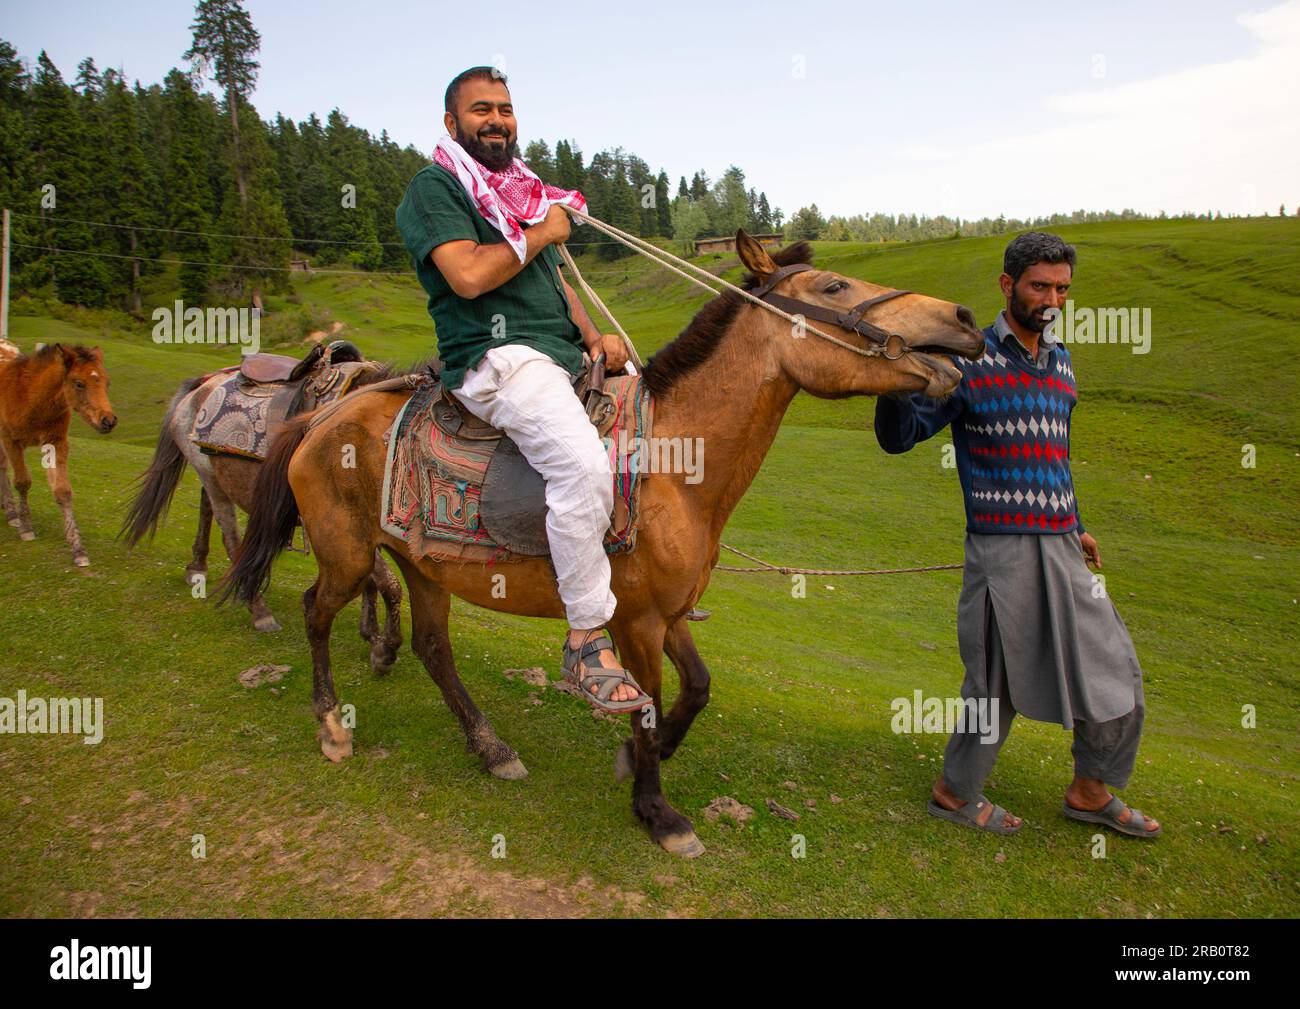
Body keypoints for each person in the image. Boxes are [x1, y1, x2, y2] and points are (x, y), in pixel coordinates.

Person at [874, 231, 1162, 839]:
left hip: (1061, 543)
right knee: (994, 681)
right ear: (1008, 286)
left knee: (1114, 666)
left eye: (1062, 287)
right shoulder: (969, 362)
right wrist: (896, 381)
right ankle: (955, 792)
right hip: (1001, 548)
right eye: (1040, 286)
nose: (1052, 298)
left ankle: (1090, 790)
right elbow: (900, 438)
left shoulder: (1061, 361)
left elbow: (1056, 456)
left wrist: (1077, 525)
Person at [395, 66, 651, 714]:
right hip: (496, 357)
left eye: (506, 108)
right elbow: (471, 276)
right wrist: (543, 230)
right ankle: (587, 637)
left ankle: (650, 580)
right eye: (481, 109)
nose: (498, 120)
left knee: (657, 423)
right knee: (583, 465)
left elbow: (555, 284)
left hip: (559, 352)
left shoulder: (517, 189)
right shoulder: (436, 187)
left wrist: (595, 338)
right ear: (451, 124)